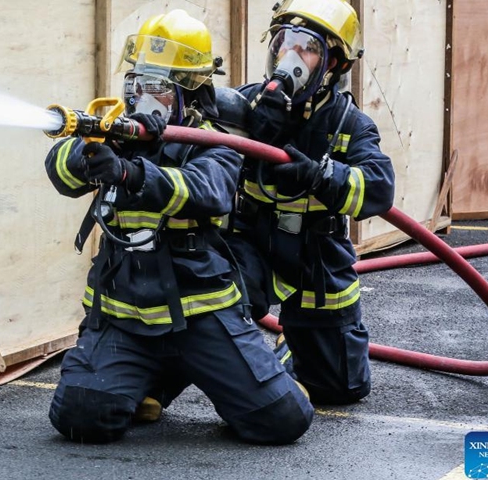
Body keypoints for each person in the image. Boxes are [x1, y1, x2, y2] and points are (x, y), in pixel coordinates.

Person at [45, 9, 313, 444]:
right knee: (80, 418)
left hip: (201, 316)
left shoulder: (216, 143)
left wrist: (133, 173)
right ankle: (155, 377)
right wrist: (90, 155)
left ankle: (270, 366)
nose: (142, 98)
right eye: (136, 84)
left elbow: (206, 191)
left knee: (281, 421)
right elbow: (60, 171)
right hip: (123, 316)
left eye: (158, 88)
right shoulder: (116, 136)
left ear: (189, 93)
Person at [226, 0, 395, 405]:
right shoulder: (248, 104)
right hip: (249, 238)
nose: (291, 56)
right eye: (286, 42)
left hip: (315, 252)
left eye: (307, 48)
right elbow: (196, 134)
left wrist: (322, 176)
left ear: (334, 63)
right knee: (206, 309)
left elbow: (379, 188)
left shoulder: (349, 124)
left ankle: (294, 345)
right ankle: (155, 382)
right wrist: (253, 132)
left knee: (341, 389)